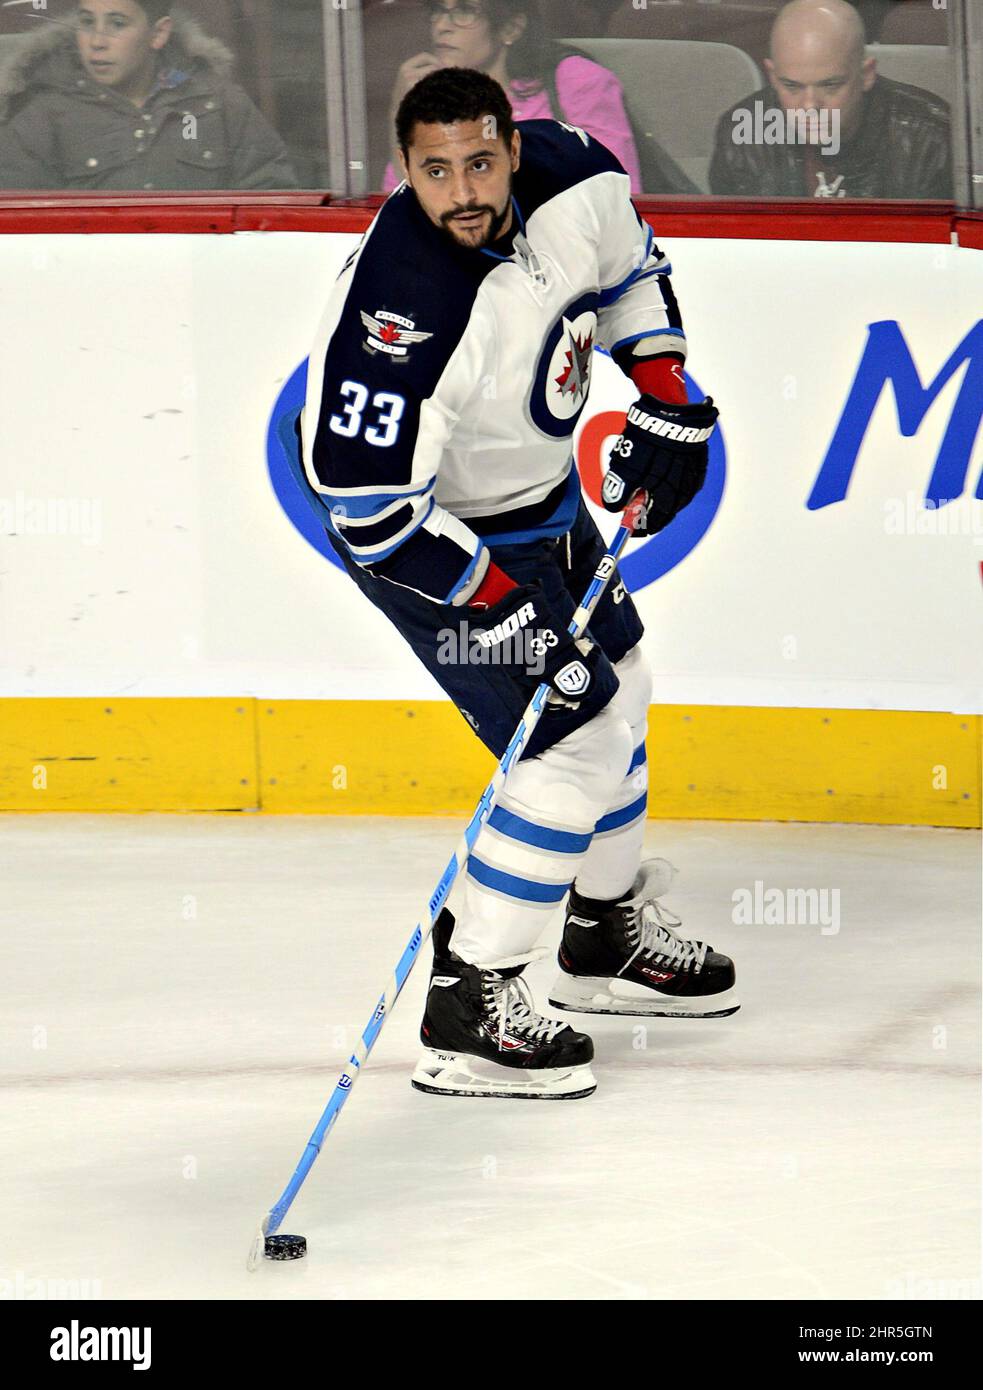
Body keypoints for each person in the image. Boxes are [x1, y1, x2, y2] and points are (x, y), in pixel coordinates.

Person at [279, 67, 739, 1101]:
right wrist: (500, 607)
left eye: (479, 161)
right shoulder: (396, 311)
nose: (462, 191)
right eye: (434, 171)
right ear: (403, 171)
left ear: (514, 148)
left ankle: (599, 931)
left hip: (538, 500)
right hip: (432, 542)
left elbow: (626, 273)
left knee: (621, 674)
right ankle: (469, 1003)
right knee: (569, 739)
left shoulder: (576, 176)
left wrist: (664, 393)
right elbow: (370, 514)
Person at [0, 0, 296, 191]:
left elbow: (272, 201)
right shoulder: (41, 118)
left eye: (117, 24)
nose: (97, 42)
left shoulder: (220, 105)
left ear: (158, 34)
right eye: (87, 22)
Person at [382, 0, 643, 193]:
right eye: (438, 10)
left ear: (511, 29)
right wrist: (401, 113)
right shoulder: (435, 101)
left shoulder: (575, 80)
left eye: (464, 11)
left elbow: (618, 194)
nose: (441, 26)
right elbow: (399, 207)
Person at [708, 0, 951, 199]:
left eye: (830, 85)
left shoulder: (932, 139)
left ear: (866, 75)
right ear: (772, 76)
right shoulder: (741, 136)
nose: (810, 106)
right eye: (792, 86)